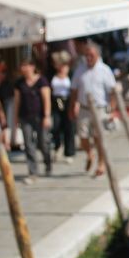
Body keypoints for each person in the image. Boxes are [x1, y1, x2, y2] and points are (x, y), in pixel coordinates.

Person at [70, 40, 118, 177]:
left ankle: (101, 163)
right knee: (83, 137)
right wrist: (72, 106)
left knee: (99, 137)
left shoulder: (104, 70)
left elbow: (112, 91)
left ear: (97, 55)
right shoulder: (80, 69)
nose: (89, 58)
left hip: (100, 108)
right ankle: (90, 154)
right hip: (84, 108)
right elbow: (74, 90)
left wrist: (112, 109)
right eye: (86, 55)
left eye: (91, 55)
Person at [13, 58, 52, 184]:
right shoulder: (19, 83)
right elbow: (17, 101)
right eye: (22, 66)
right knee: (28, 144)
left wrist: (47, 116)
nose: (23, 69)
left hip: (40, 116)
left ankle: (47, 162)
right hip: (25, 117)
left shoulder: (42, 81)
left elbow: (46, 99)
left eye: (25, 66)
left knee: (43, 142)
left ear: (32, 67)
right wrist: (15, 118)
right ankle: (33, 172)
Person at [50, 52, 76, 162]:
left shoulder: (71, 73)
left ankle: (69, 152)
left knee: (69, 126)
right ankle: (57, 146)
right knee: (55, 126)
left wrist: (75, 104)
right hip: (56, 101)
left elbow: (74, 89)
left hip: (68, 101)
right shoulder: (52, 75)